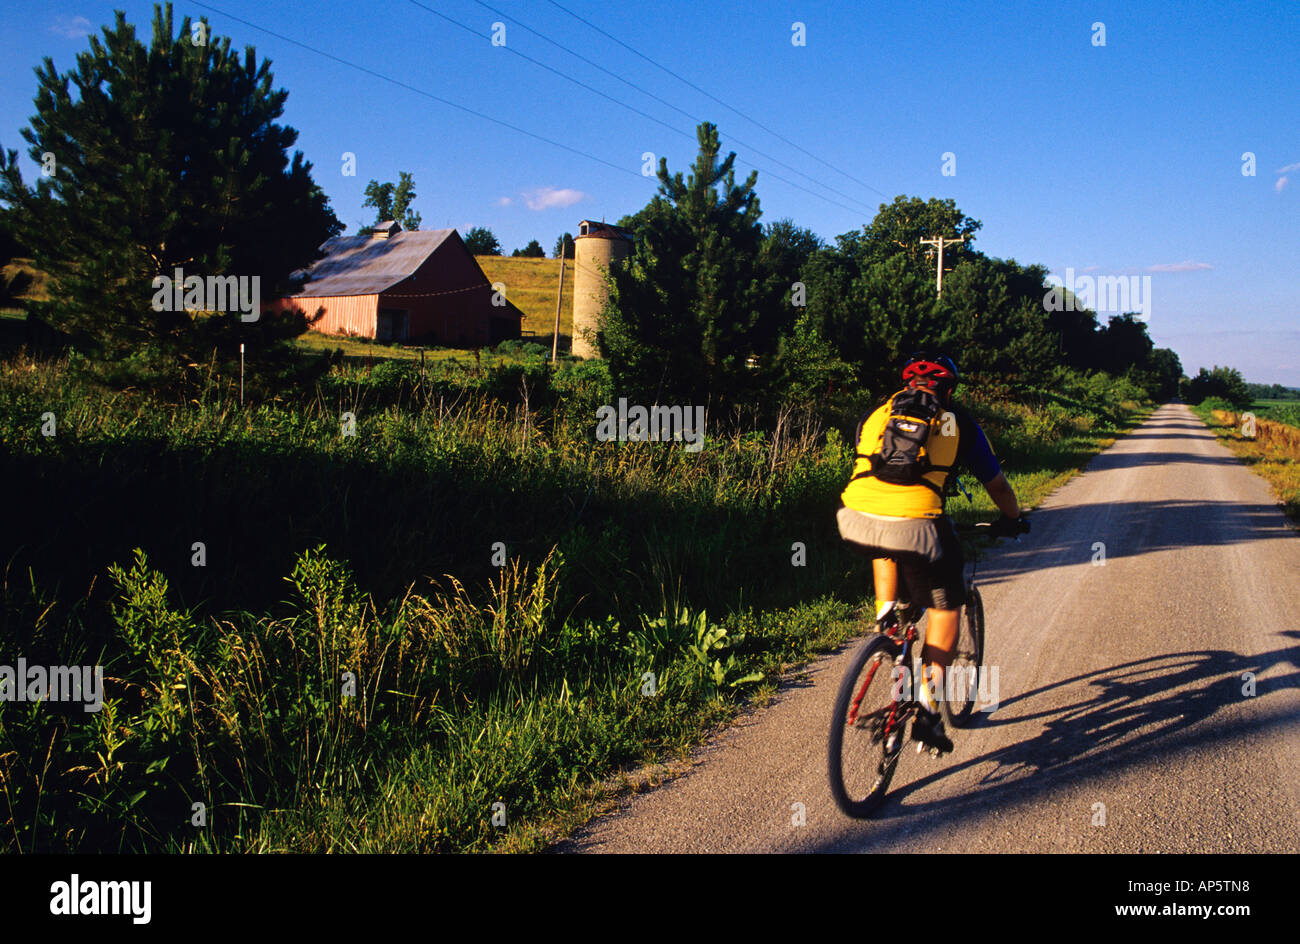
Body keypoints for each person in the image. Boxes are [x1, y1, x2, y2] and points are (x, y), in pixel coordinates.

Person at [836, 351, 1028, 755]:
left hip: (853, 517)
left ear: (907, 385)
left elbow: (877, 477)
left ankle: (885, 616)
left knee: (884, 538)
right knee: (945, 609)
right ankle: (926, 711)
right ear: (949, 389)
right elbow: (997, 486)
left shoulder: (877, 415)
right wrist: (1013, 517)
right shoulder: (960, 425)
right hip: (920, 527)